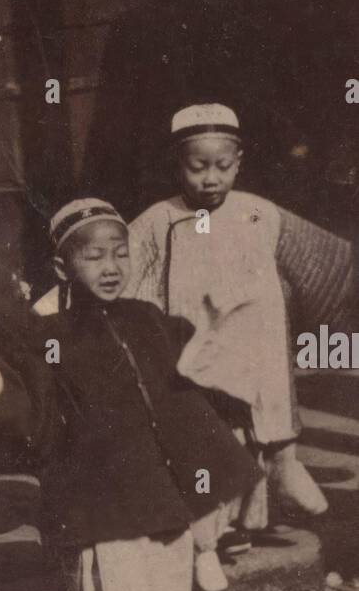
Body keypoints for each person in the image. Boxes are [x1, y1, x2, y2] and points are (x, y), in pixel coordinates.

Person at [0, 199, 259, 591]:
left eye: (120, 255)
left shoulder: (147, 318)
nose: (111, 268)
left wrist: (218, 340)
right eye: (94, 257)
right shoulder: (50, 336)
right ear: (63, 267)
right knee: (119, 576)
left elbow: (191, 372)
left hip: (154, 475)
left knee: (164, 567)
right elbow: (34, 412)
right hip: (98, 484)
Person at [127, 104, 354, 552]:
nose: (210, 178)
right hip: (196, 349)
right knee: (216, 434)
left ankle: (277, 473)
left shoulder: (258, 212)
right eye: (197, 168)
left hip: (255, 349)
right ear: (178, 165)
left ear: (239, 163)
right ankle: (221, 525)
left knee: (263, 411)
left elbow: (319, 261)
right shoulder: (160, 218)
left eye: (222, 167)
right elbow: (121, 265)